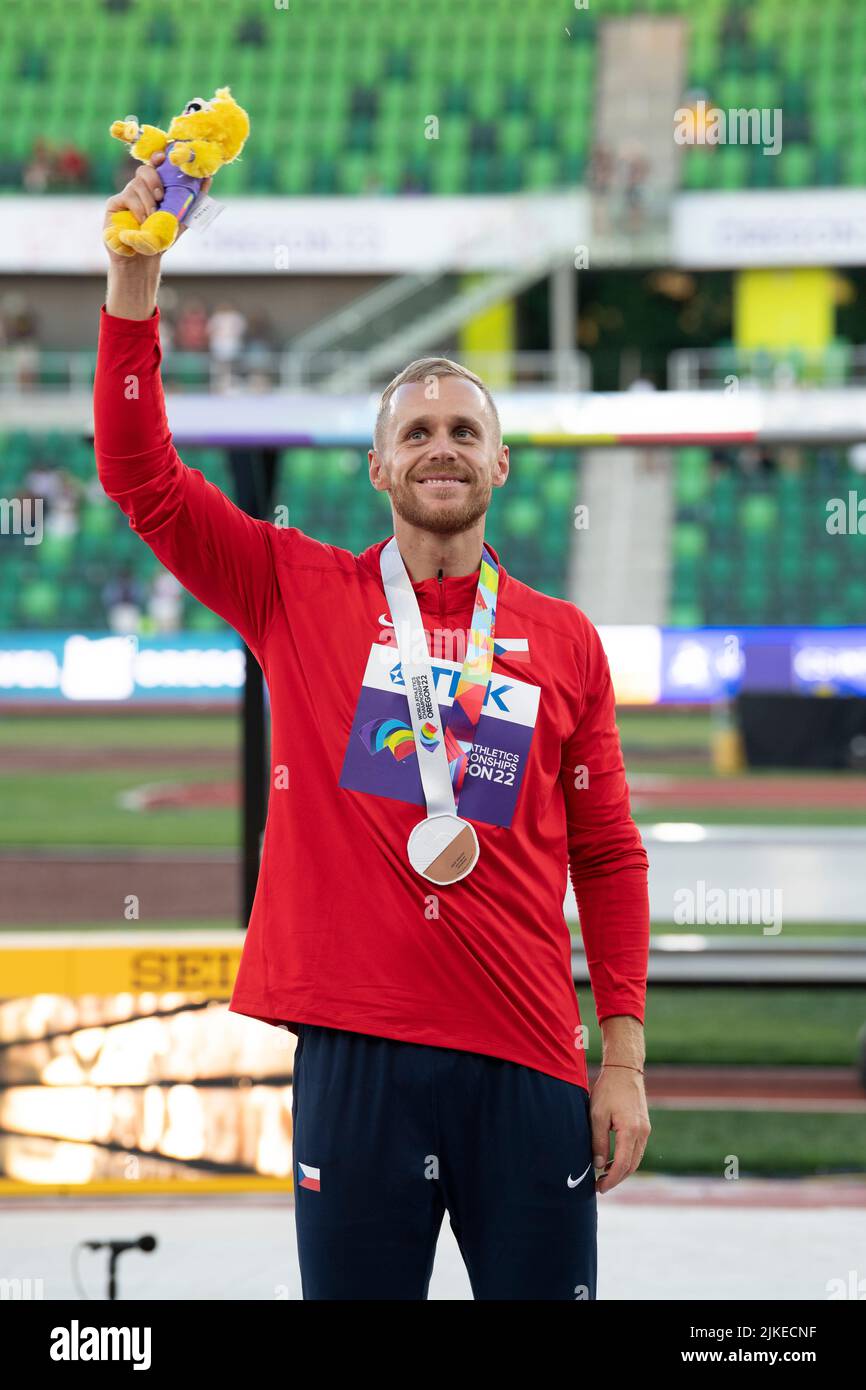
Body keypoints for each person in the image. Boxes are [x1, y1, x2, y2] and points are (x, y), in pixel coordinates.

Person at [95, 154, 651, 1301]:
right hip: (355, 1058)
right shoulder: (291, 590)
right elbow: (143, 479)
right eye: (415, 432)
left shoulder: (562, 641)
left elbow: (606, 853)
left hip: (530, 1059)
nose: (439, 446)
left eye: (462, 429)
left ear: (498, 462)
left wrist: (624, 1061)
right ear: (377, 467)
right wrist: (132, 289)